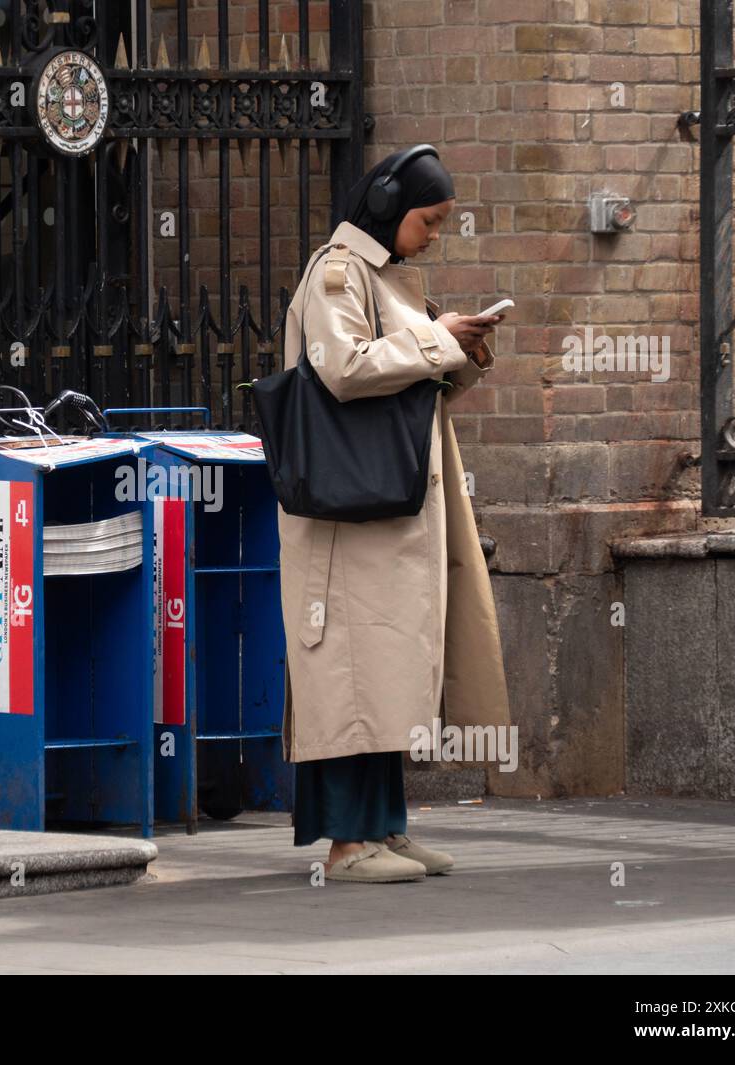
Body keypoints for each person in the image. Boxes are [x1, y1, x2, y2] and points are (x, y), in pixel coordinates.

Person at [278, 146, 512, 883]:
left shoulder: (386, 280)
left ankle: (385, 825)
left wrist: (460, 346)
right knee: (350, 673)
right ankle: (347, 843)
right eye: (430, 219)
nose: (437, 233)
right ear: (386, 207)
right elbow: (344, 369)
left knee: (388, 673)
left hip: (390, 506)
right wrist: (437, 340)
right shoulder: (337, 274)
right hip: (351, 516)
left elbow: (417, 386)